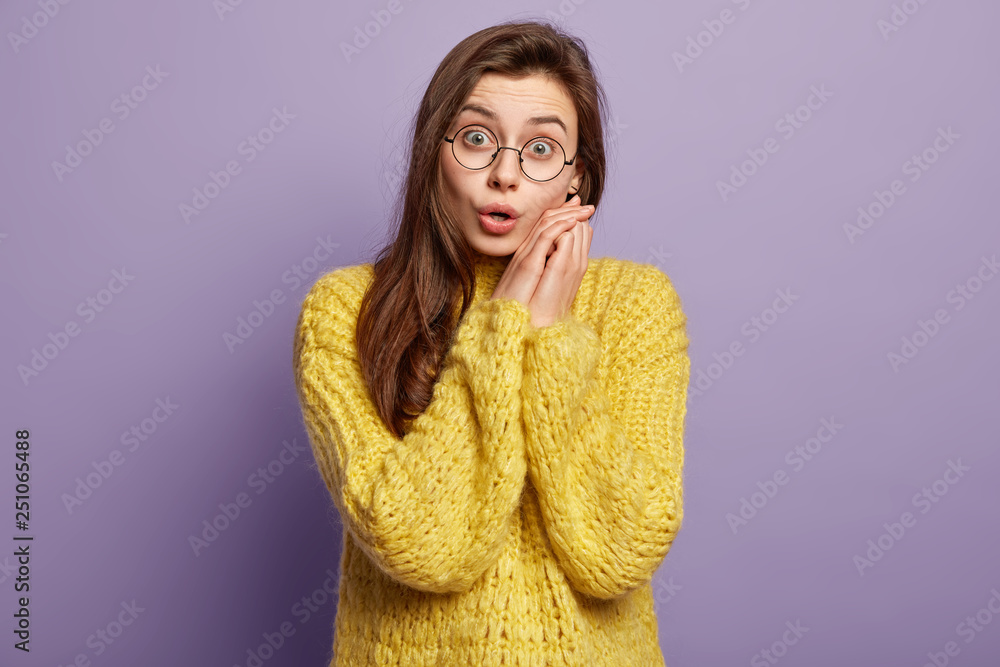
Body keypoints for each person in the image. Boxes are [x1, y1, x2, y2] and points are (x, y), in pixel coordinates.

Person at [292, 19, 690, 667]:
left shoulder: (635, 304)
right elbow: (421, 543)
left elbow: (621, 552)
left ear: (576, 180)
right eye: (477, 139)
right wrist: (502, 325)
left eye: (539, 149)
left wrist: (554, 341)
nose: (504, 173)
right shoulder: (344, 309)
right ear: (433, 154)